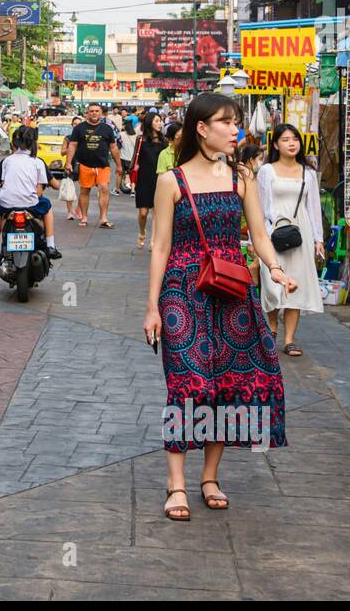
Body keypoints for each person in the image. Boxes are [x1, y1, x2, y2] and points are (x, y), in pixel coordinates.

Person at [143, 93, 294, 521]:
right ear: (201, 128)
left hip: (231, 291)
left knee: (228, 386)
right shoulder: (171, 181)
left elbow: (260, 235)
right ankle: (176, 484)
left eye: (236, 123)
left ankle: (210, 477)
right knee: (188, 386)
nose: (235, 131)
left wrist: (276, 269)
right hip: (182, 293)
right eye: (226, 123)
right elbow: (160, 246)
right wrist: (152, 306)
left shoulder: (241, 178)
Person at [255, 125, 324, 356]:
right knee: (273, 284)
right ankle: (272, 328)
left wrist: (318, 239)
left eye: (295, 139)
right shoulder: (266, 171)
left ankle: (290, 339)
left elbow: (314, 208)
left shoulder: (309, 173)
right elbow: (262, 207)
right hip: (273, 232)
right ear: (276, 144)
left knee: (296, 285)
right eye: (285, 139)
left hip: (300, 233)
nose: (292, 143)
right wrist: (260, 237)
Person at [0, 126, 62, 261]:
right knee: (47, 207)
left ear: (14, 142)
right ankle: (50, 245)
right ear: (33, 142)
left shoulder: (7, 161)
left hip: (7, 204)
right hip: (30, 204)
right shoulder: (38, 162)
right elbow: (51, 187)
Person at [65, 104, 122, 228]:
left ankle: (103, 218)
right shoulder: (79, 128)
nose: (94, 113)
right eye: (91, 111)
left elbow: (113, 147)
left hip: (103, 166)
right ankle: (84, 217)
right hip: (85, 165)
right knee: (84, 191)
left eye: (97, 111)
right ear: (87, 113)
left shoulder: (107, 128)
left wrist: (119, 165)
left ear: (101, 113)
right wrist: (68, 163)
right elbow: (72, 145)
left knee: (104, 189)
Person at [132, 112, 166, 249]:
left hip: (160, 179)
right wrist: (132, 179)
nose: (160, 123)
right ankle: (142, 232)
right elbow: (135, 158)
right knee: (143, 213)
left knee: (156, 212)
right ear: (150, 122)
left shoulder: (165, 141)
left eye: (161, 121)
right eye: (157, 121)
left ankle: (153, 240)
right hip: (143, 179)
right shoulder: (141, 139)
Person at [118, 117, 139, 197]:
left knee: (123, 173)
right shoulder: (136, 135)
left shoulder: (121, 134)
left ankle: (124, 186)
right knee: (132, 174)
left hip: (124, 157)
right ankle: (133, 189)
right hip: (134, 158)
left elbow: (119, 145)